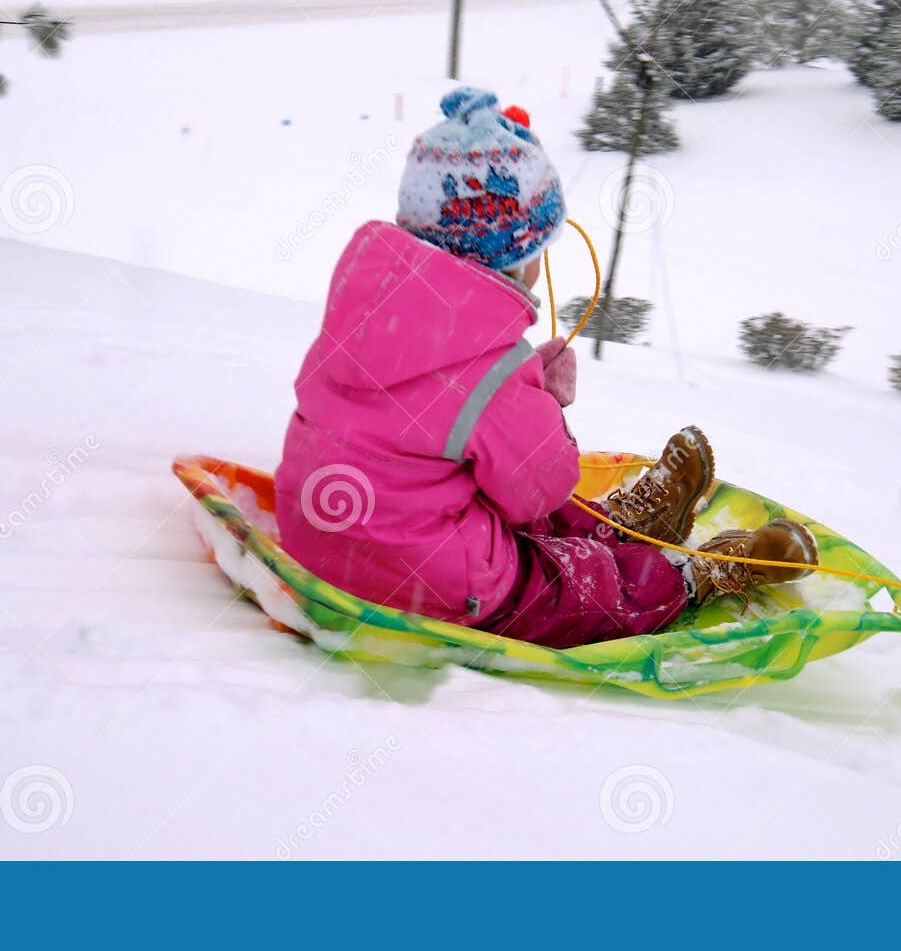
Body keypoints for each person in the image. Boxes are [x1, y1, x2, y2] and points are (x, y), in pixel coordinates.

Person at [275, 87, 816, 649]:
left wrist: (511, 394)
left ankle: (624, 525)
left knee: (475, 488)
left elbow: (425, 421)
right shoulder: (493, 371)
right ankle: (687, 576)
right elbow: (539, 488)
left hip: (318, 538)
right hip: (432, 584)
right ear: (511, 255)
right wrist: (543, 403)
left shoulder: (362, 315)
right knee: (575, 585)